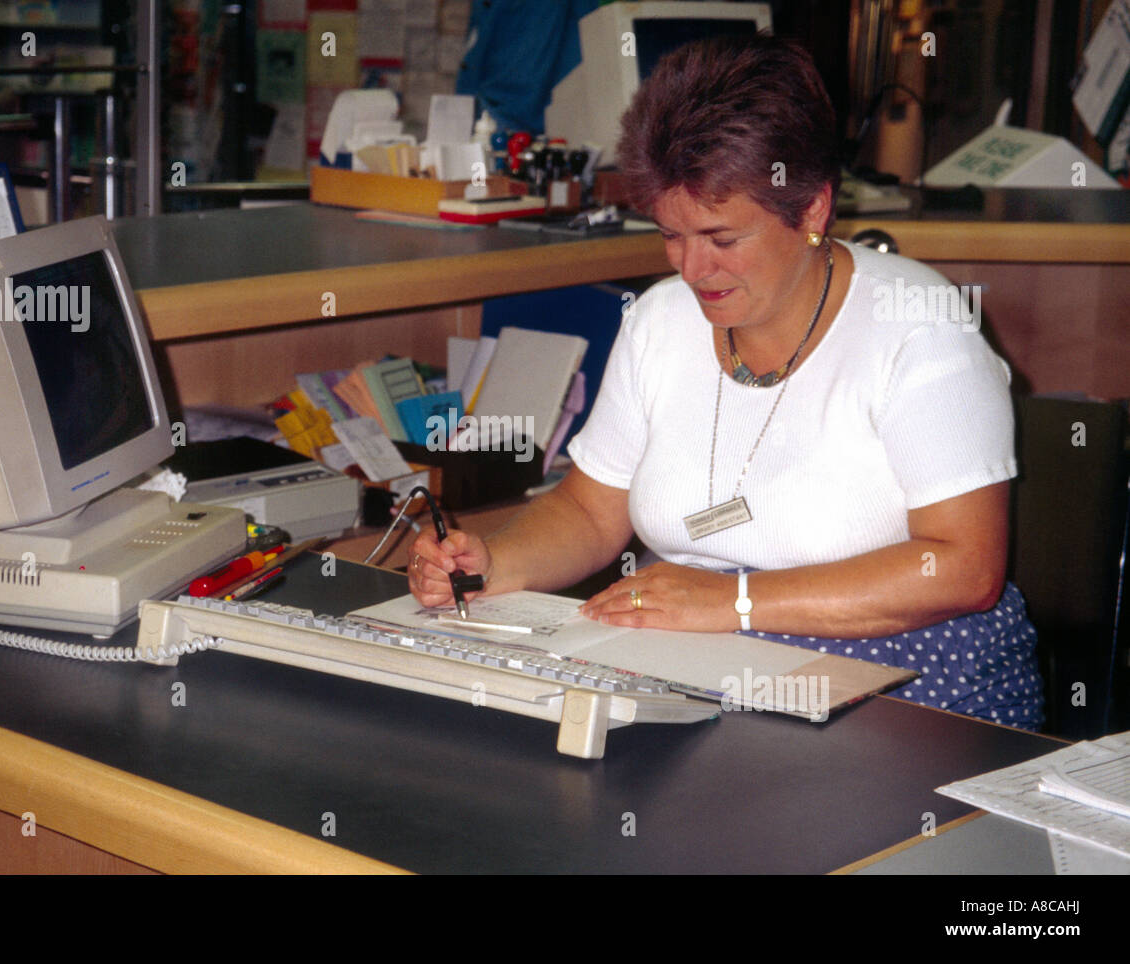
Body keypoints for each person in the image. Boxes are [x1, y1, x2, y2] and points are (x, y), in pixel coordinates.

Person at [408, 34, 1043, 730]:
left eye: (722, 238)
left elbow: (964, 568)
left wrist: (733, 600)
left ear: (811, 212)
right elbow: (590, 511)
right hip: (699, 658)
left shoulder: (920, 330)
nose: (692, 269)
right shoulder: (658, 322)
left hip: (904, 685)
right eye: (670, 235)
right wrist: (496, 561)